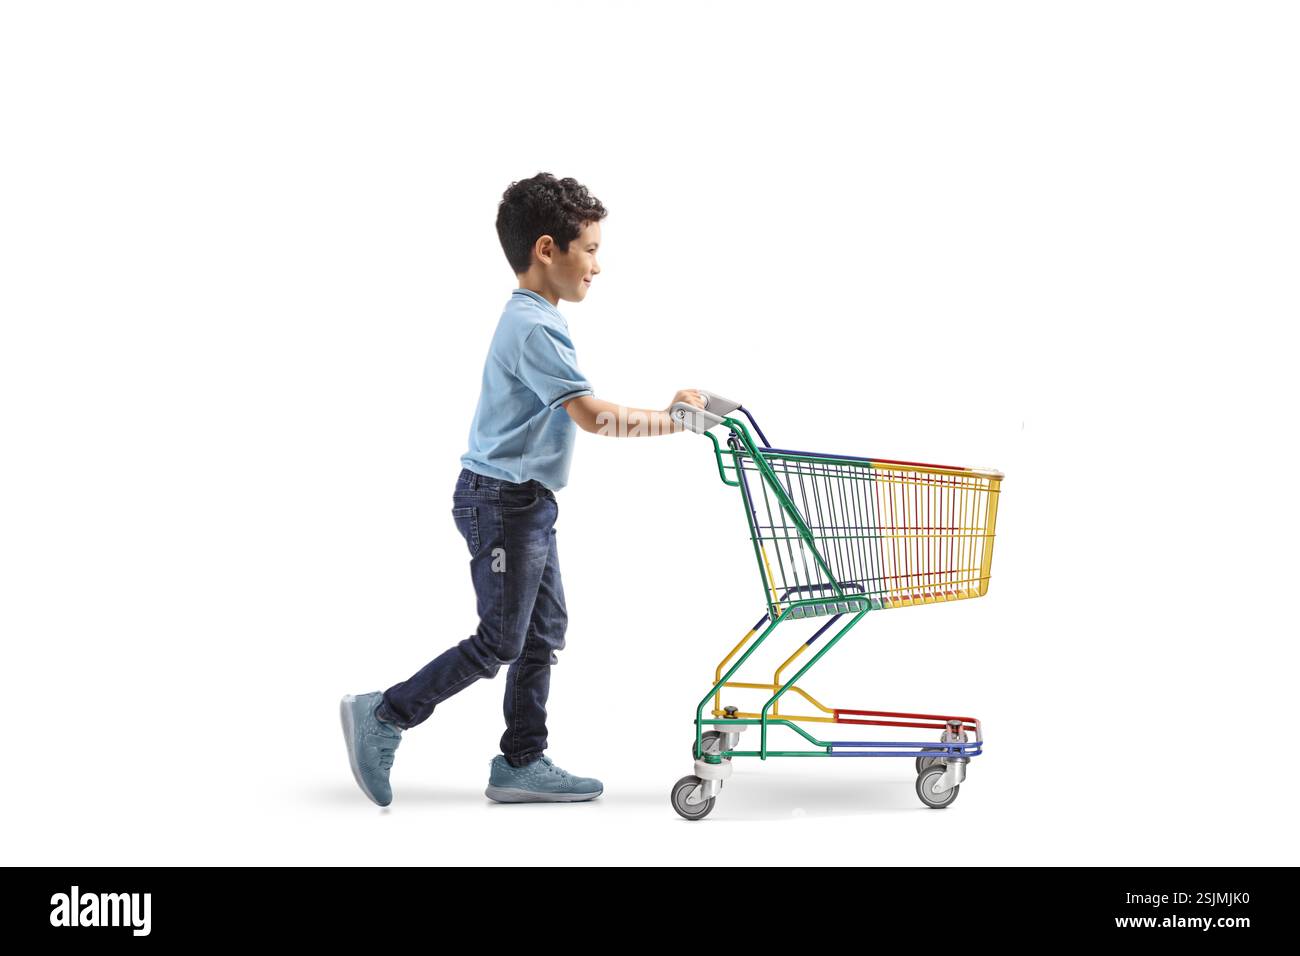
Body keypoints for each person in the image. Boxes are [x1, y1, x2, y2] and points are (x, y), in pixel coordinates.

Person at [341, 172, 705, 806]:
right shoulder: (534, 328)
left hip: (525, 502)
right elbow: (592, 417)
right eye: (588, 249)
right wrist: (674, 421)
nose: (598, 265)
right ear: (546, 249)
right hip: (502, 501)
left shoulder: (538, 320)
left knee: (542, 633)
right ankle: (385, 714)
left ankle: (521, 761)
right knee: (501, 641)